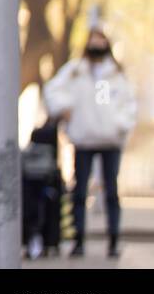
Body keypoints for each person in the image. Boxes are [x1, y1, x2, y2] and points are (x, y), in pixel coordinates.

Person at [43, 28, 138, 259]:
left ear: (107, 42)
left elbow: (129, 105)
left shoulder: (116, 74)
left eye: (101, 39)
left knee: (111, 191)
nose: (97, 43)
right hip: (84, 139)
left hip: (110, 140)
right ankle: (78, 240)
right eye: (94, 39)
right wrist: (65, 109)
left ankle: (114, 239)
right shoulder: (76, 70)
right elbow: (52, 90)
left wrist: (119, 124)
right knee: (79, 191)